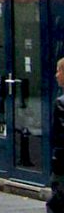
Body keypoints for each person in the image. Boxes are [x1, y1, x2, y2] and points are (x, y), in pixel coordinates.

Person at [50, 57, 64, 212]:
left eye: (59, 71)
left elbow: (59, 138)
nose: (56, 75)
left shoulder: (61, 103)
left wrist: (56, 163)